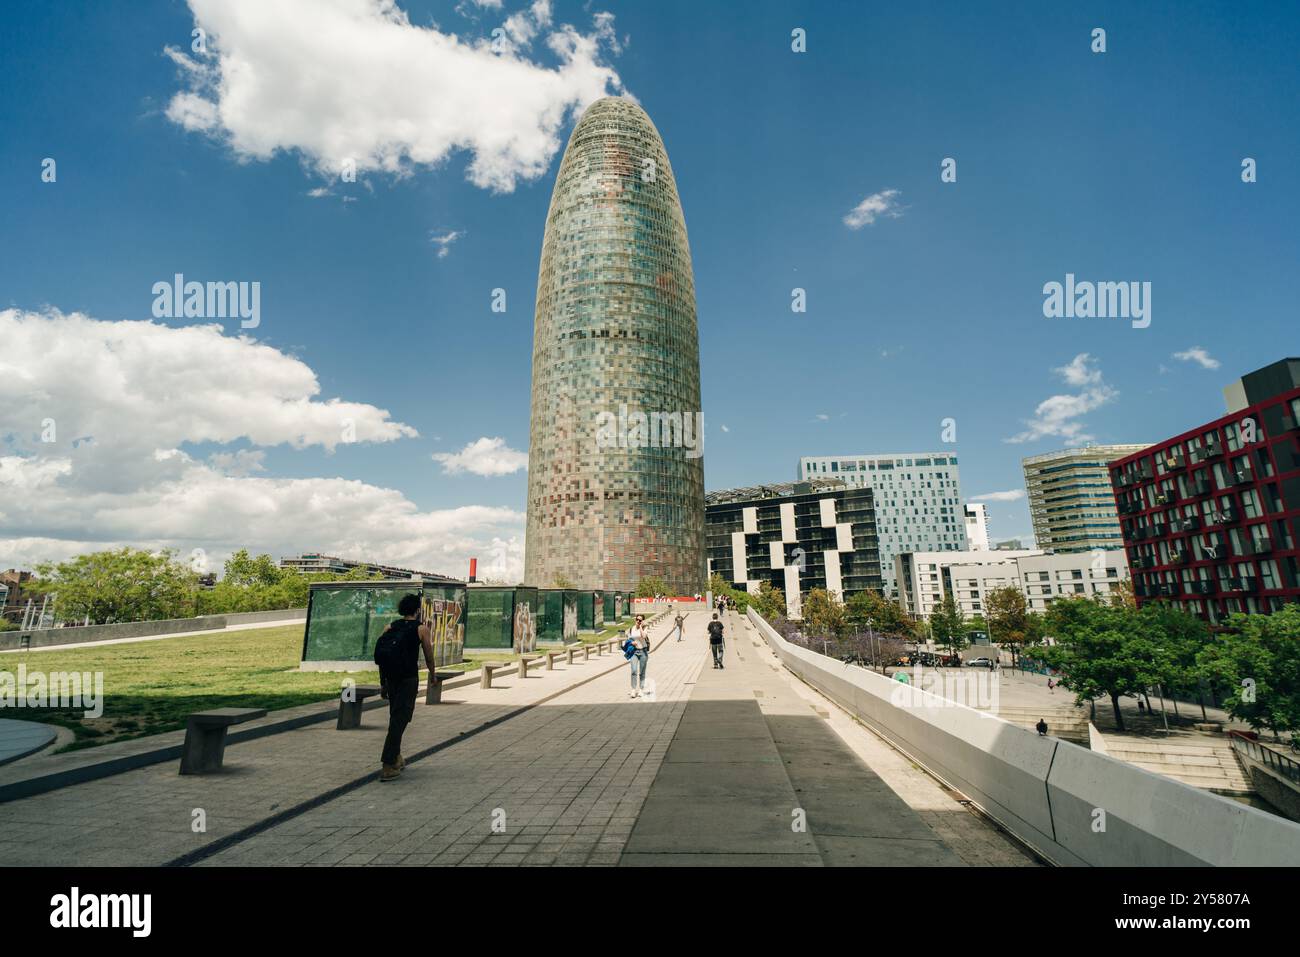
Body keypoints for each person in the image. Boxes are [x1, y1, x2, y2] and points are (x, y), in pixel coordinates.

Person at [373, 593, 436, 782]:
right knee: (400, 720)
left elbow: (383, 658)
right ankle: (387, 764)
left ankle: (397, 758)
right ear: (417, 610)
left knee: (396, 717)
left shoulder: (390, 627)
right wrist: (433, 674)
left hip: (391, 678)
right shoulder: (421, 629)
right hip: (408, 678)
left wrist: (383, 682)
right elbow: (428, 655)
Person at [626, 615, 649, 698]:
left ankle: (641, 689)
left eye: (640, 620)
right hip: (634, 652)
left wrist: (641, 628)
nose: (638, 621)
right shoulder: (631, 629)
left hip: (643, 651)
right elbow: (628, 639)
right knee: (634, 670)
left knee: (642, 672)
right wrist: (632, 643)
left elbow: (644, 636)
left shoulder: (644, 628)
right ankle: (633, 689)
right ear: (635, 620)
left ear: (642, 621)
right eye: (637, 619)